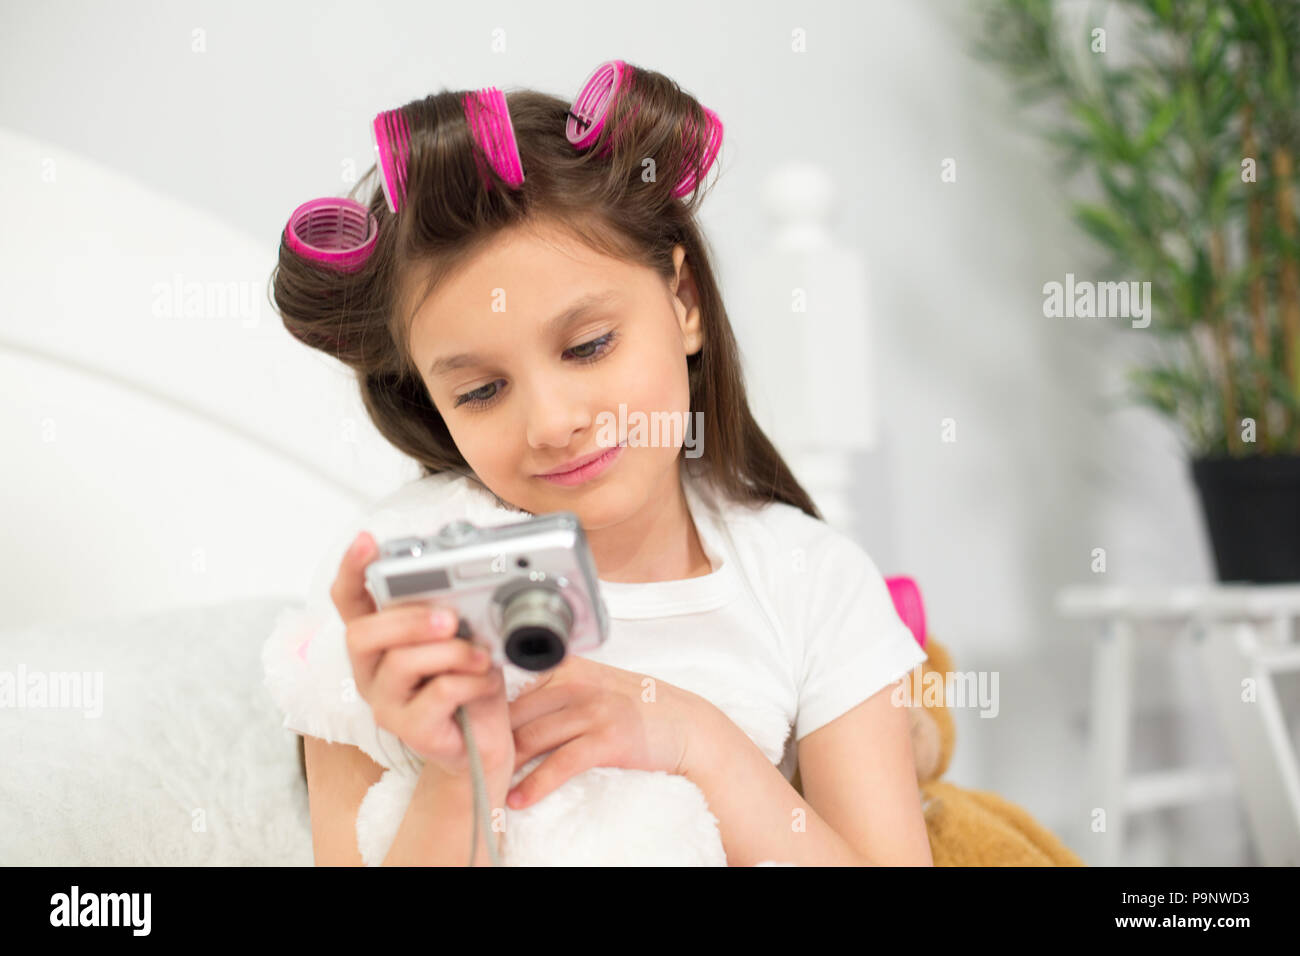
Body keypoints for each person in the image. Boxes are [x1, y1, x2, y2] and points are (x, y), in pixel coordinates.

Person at [263, 60, 930, 866]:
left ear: (683, 303)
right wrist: (456, 772)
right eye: (480, 391)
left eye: (588, 346)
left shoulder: (811, 586)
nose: (552, 423)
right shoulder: (398, 593)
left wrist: (698, 743)